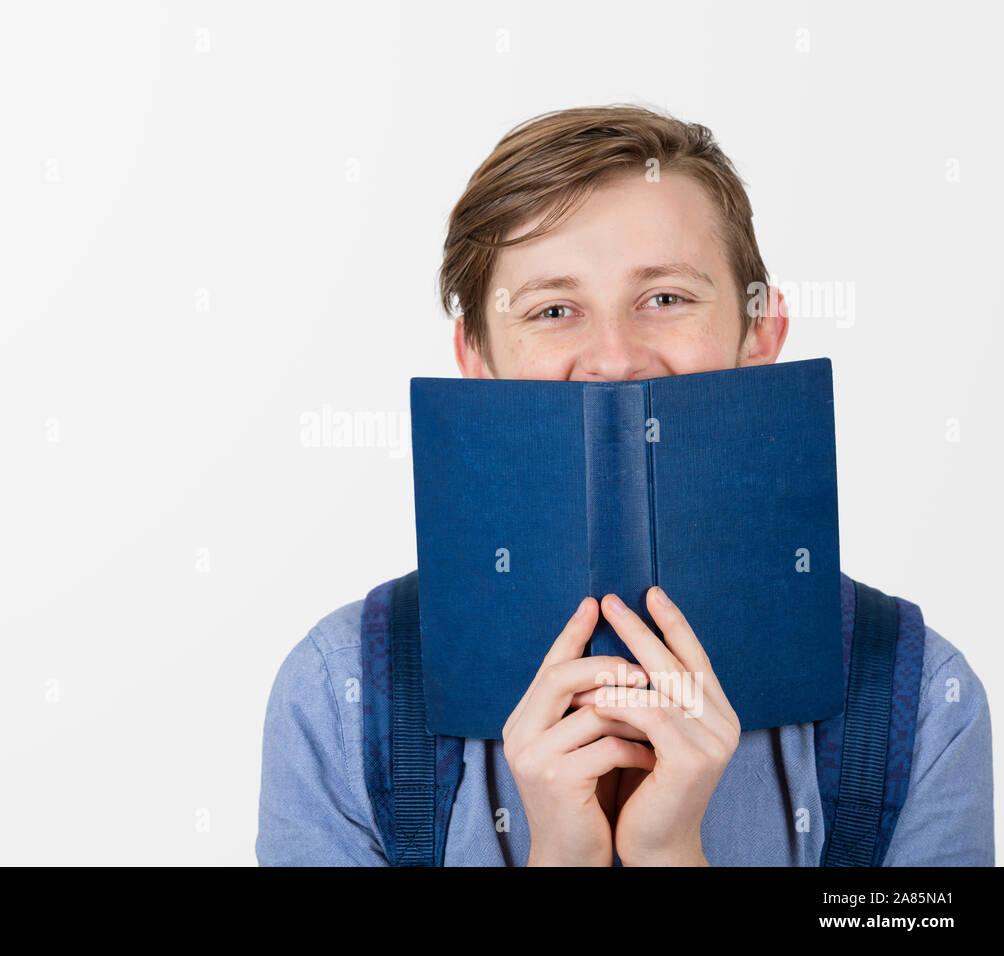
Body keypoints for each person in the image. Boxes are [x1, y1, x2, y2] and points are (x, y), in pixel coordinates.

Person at [255, 105, 994, 866]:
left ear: (761, 333)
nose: (614, 359)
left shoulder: (926, 705)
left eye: (666, 297)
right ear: (476, 358)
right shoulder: (337, 697)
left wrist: (672, 854)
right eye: (553, 309)